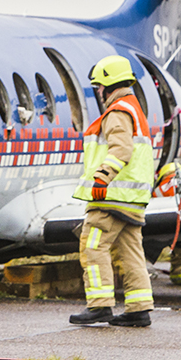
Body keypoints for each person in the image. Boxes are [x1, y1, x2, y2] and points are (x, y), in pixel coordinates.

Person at [70, 55, 155, 327]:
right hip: (131, 199)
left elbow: (121, 149)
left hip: (111, 196)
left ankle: (100, 305)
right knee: (130, 251)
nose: (98, 92)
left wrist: (102, 178)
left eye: (98, 86)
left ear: (107, 85)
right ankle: (139, 309)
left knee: (92, 246)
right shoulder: (133, 109)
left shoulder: (117, 112)